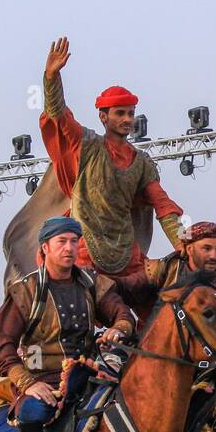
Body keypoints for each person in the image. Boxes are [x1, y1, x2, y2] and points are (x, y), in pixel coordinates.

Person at [0, 215, 135, 432]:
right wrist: (27, 384)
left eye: (74, 241)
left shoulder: (91, 283)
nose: (70, 248)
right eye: (62, 242)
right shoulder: (25, 290)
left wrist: (120, 327)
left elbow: (119, 311)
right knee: (33, 414)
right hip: (42, 380)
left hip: (88, 372)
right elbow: (2, 344)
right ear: (45, 248)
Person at [39, 36, 185, 277]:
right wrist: (52, 78)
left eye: (130, 113)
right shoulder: (87, 144)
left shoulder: (142, 163)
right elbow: (59, 116)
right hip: (84, 253)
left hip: (127, 256)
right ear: (103, 117)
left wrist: (183, 245)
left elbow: (163, 205)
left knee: (171, 293)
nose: (127, 119)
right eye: (120, 113)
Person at [119, 221, 216, 335]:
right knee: (112, 363)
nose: (214, 256)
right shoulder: (164, 269)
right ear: (190, 249)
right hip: (155, 348)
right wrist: (122, 323)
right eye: (207, 248)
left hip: (211, 361)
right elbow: (121, 291)